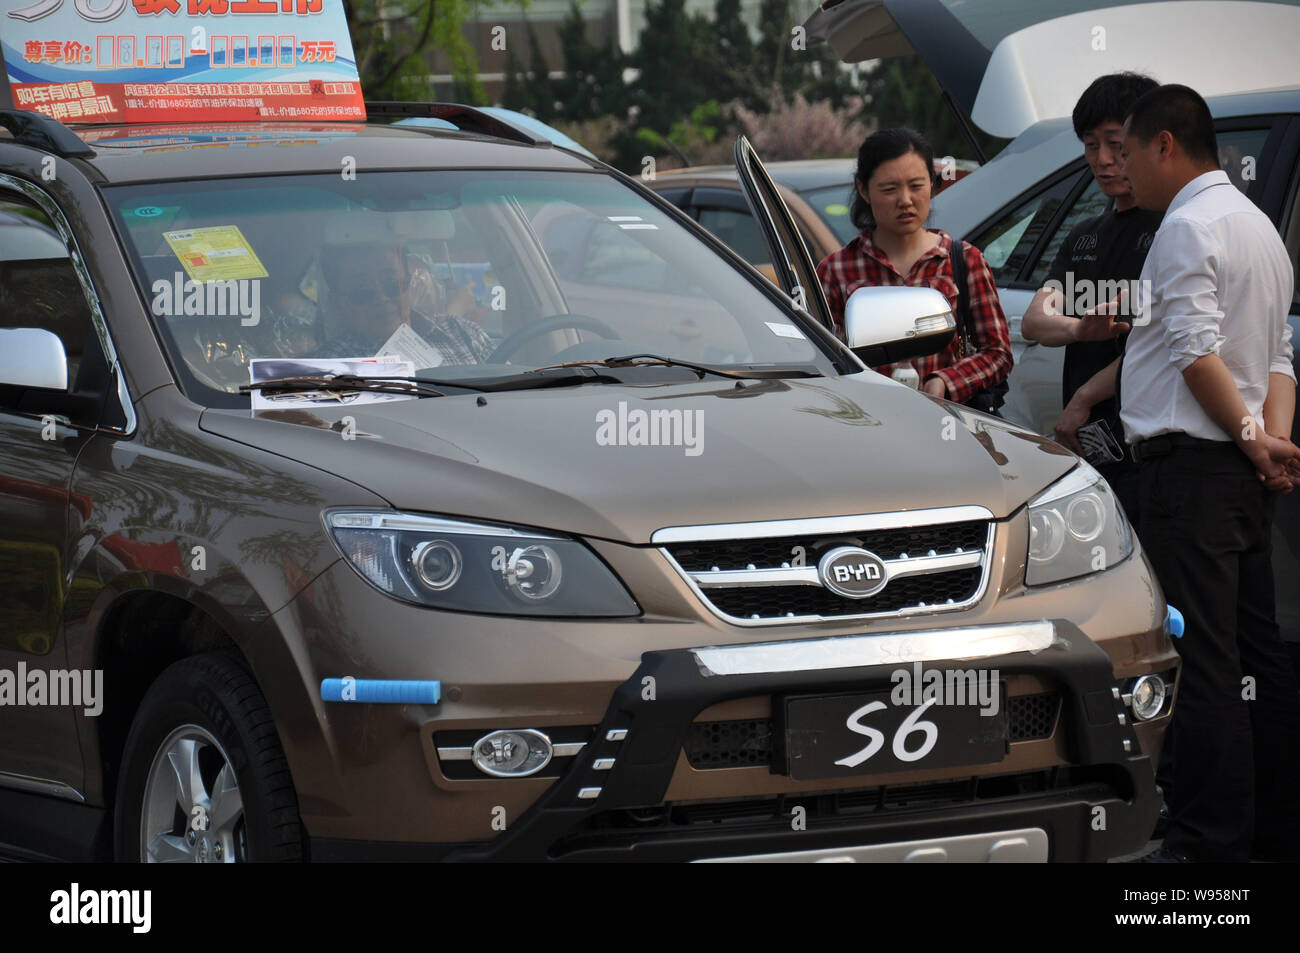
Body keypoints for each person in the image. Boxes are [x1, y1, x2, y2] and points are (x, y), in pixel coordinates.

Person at [1118, 84, 1300, 863]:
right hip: (1242, 471)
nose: (1119, 169)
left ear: (1166, 144)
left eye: (1125, 151)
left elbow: (1197, 355)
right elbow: (1279, 359)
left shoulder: (1187, 227)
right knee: (1256, 655)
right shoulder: (1258, 224)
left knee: (1204, 664)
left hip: (1194, 472)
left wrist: (1256, 441)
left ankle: (1206, 839)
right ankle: (1272, 824)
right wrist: (1270, 442)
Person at [1021, 72, 1161, 527]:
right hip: (1089, 443)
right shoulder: (1085, 236)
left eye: (1115, 144)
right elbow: (1034, 321)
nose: (1102, 160)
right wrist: (1078, 329)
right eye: (1089, 145)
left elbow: (1164, 342)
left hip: (1151, 444)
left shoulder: (1174, 230)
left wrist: (1085, 394)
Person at [816, 128, 1012, 409]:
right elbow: (819, 359)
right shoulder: (836, 270)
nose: (905, 200)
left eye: (916, 185)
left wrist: (945, 381)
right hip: (867, 424)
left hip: (945, 424)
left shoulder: (964, 260)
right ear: (863, 190)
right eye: (889, 189)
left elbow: (998, 353)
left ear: (932, 185)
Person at [312, 240, 493, 365]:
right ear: (337, 303)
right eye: (363, 292)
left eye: (392, 284)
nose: (382, 298)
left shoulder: (464, 332)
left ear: (410, 282)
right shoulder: (331, 364)